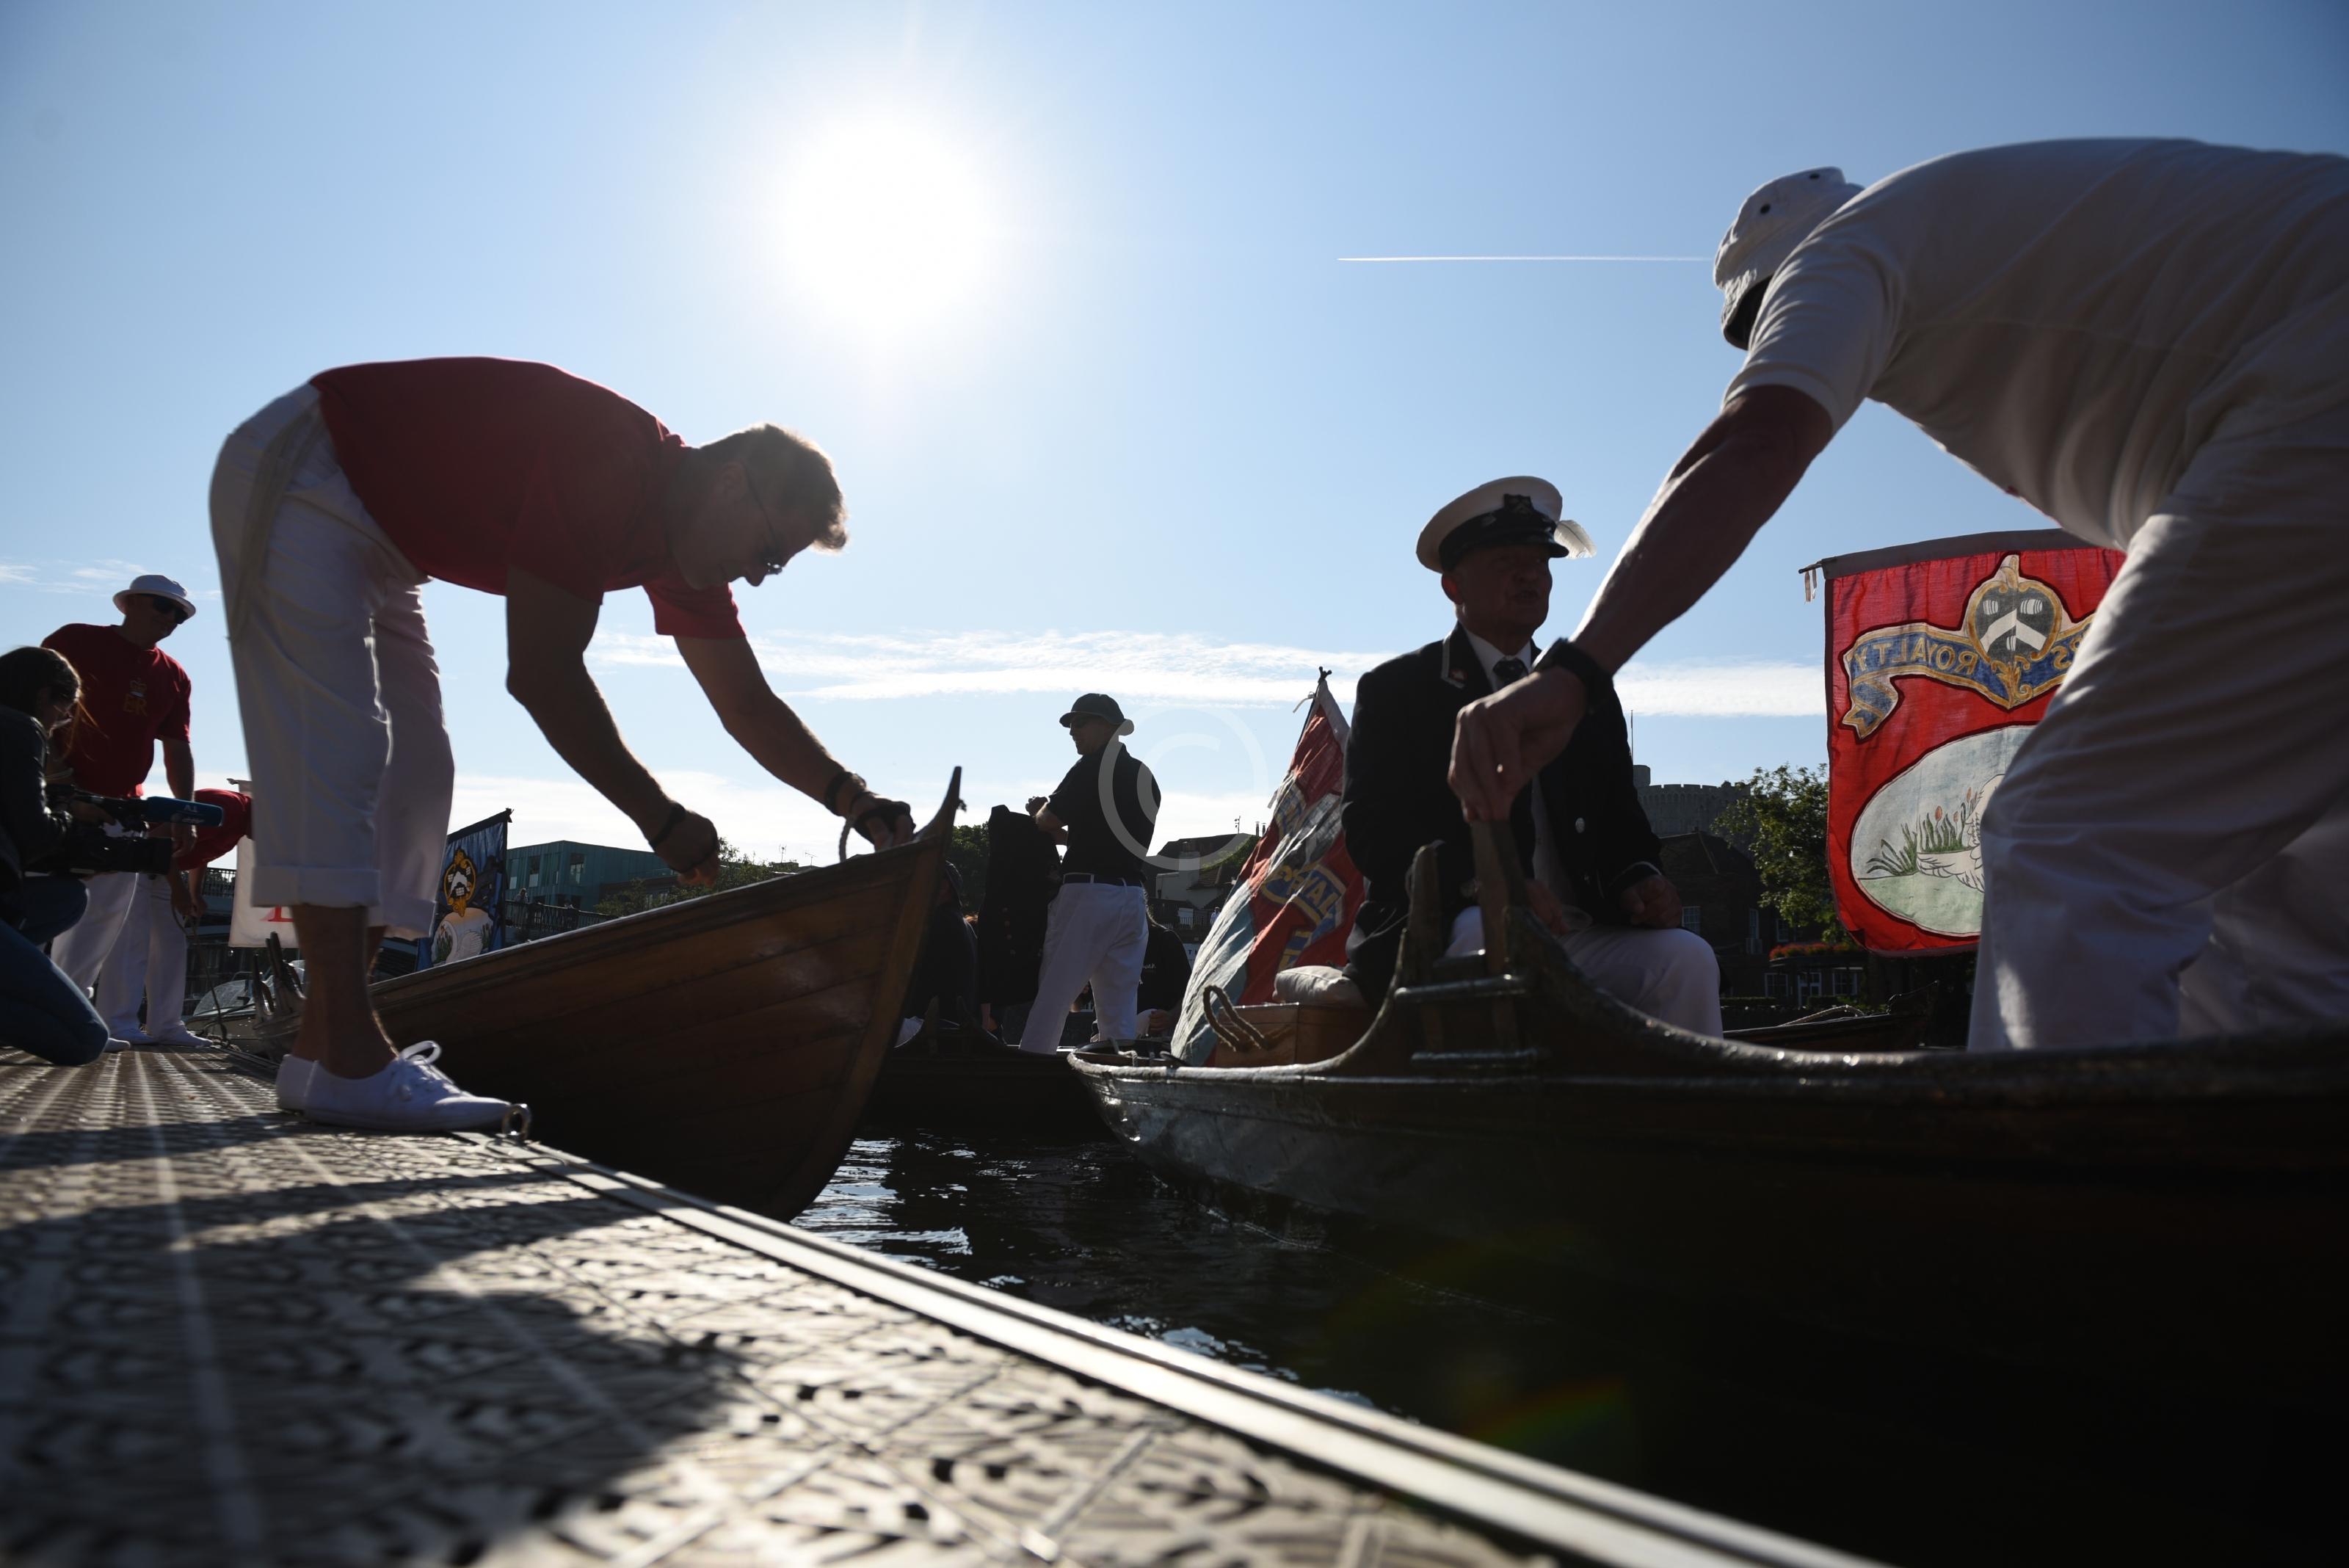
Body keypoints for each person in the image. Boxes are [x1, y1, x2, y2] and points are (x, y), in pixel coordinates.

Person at [1450, 140, 2349, 1051]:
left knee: (2069, 843)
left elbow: (1751, 444)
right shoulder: (1982, 255)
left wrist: (1577, 670)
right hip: (2299, 413)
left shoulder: (1842, 251)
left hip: (2314, 404)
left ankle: (2066, 1181)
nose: (1769, 345)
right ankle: (2276, 1167)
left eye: (1758, 329)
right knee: (2276, 883)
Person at [210, 357, 917, 1130]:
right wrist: (660, 819)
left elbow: (745, 704)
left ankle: (327, 1047)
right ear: (731, 480)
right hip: (309, 469)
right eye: (768, 553)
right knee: (342, 748)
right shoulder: (612, 461)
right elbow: (541, 674)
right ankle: (350, 1054)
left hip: (387, 548)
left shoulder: (680, 542)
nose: (755, 577)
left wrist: (854, 799)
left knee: (418, 774)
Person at [1343, 479, 1719, 1033]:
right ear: (1453, 586)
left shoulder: (1582, 690)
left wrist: (1639, 880)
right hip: (1453, 925)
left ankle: (1688, 1116)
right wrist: (1485, 885)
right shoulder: (1398, 691)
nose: (1529, 576)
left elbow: (1622, 822)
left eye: (1540, 563)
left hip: (1580, 930)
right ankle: (1507, 1112)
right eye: (1504, 561)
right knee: (1488, 937)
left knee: (1686, 959)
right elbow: (1374, 836)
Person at [42, 574, 198, 1043]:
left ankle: (68, 1018)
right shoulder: (74, 640)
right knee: (31, 906)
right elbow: (29, 699)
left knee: (103, 919)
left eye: (180, 614)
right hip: (56, 797)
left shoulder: (173, 675)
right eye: (162, 606)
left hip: (120, 810)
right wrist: (52, 770)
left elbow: (178, 748)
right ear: (129, 603)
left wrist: (183, 812)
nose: (171, 618)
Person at [1018, 694, 1160, 1050]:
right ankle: (1115, 1084)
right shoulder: (1144, 775)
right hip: (1131, 899)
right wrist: (1066, 837)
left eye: (1080, 723)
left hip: (1088, 895)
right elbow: (1109, 840)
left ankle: (1029, 1079)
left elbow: (1048, 819)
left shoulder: (1092, 767)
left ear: (1108, 727)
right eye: (1071, 725)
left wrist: (1038, 813)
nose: (1072, 731)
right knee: (1119, 1010)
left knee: (1053, 997)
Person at [0, 647, 109, 1066]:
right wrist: (71, 815)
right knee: (84, 1038)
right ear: (46, 696)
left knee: (66, 897)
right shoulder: (19, 728)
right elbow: (37, 832)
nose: (60, 722)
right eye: (65, 710)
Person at [94, 788, 252, 1048]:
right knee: (134, 943)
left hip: (164, 871)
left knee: (171, 947)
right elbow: (160, 839)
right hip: (139, 864)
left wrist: (195, 893)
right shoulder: (230, 808)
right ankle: (118, 1023)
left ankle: (166, 1026)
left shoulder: (239, 824)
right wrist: (180, 891)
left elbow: (199, 852)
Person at [1134, 911, 1192, 1037]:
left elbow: (1191, 994)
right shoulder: (1106, 943)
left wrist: (1172, 1016)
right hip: (1106, 1039)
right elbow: (1080, 1003)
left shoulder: (1166, 941)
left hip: (1155, 1041)